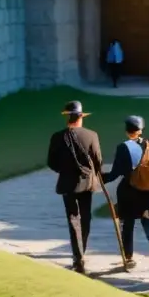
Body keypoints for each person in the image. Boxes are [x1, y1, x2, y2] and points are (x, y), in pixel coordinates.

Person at [101, 115, 149, 282]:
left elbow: (116, 173)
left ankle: (129, 258)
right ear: (141, 129)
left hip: (131, 191)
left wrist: (101, 177)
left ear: (127, 131)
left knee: (128, 224)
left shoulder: (124, 147)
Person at [47, 100, 103, 274]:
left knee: (73, 220)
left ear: (67, 117)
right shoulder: (91, 135)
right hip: (87, 182)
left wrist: (64, 171)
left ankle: (78, 258)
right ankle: (81, 253)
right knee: (85, 218)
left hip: (68, 183)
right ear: (80, 117)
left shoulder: (57, 137)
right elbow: (98, 160)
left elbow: (51, 162)